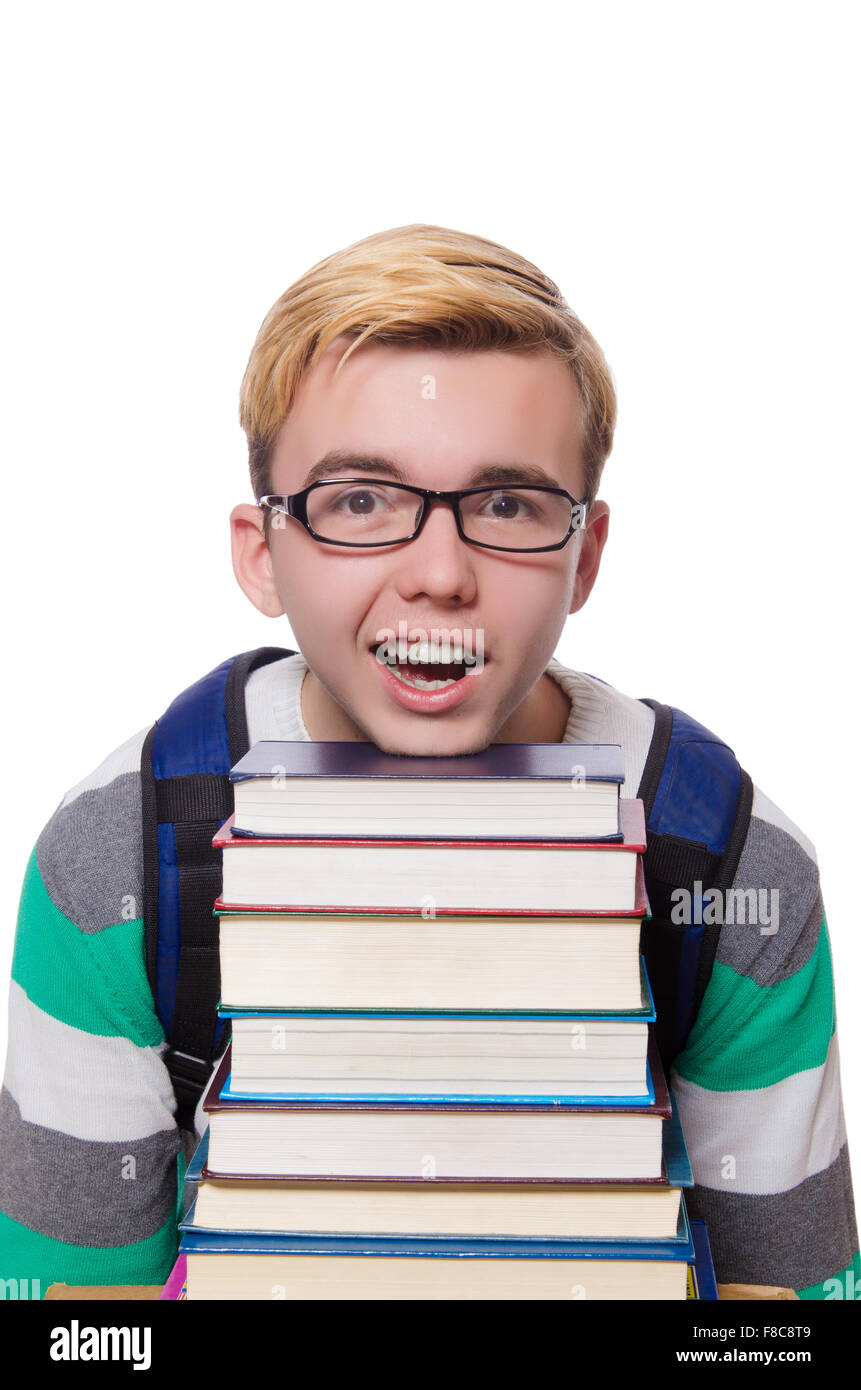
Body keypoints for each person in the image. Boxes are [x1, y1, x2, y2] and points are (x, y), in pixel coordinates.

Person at [1, 224, 856, 1299]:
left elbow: (793, 1316)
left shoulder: (732, 868)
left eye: (507, 505)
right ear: (261, 556)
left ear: (584, 556)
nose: (441, 573)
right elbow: (72, 1323)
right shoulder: (112, 864)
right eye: (360, 500)